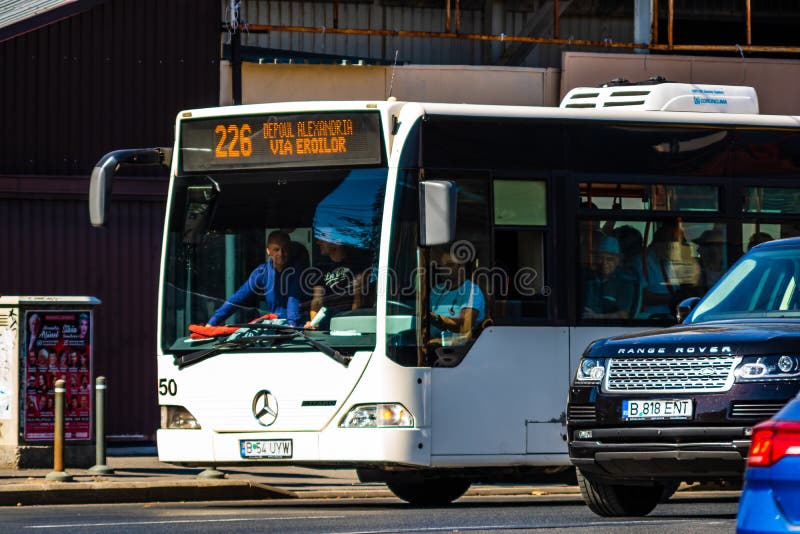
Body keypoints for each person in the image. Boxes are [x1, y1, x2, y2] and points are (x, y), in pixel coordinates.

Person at [207, 230, 303, 327]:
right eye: (276, 250)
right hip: (277, 328)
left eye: (285, 249)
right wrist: (212, 322)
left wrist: (292, 326)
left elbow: (293, 301)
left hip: (298, 330)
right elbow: (238, 298)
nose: (281, 254)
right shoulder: (262, 272)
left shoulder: (297, 271)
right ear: (268, 251)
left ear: (290, 250)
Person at [305, 236, 370, 329]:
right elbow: (317, 301)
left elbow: (358, 301)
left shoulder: (357, 265)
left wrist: (352, 325)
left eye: (323, 237)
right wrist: (313, 323)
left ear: (336, 240)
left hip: (349, 318)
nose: (318, 242)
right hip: (327, 318)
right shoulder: (320, 267)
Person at [641, 220, 701, 318]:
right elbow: (641, 296)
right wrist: (673, 298)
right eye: (673, 240)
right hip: (650, 319)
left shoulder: (670, 261)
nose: (677, 246)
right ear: (659, 241)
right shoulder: (643, 261)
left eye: (679, 241)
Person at [429, 248, 486, 345]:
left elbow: (464, 325)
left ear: (461, 267)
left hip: (461, 352)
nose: (443, 269)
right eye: (441, 265)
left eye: (449, 265)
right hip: (434, 347)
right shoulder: (436, 290)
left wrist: (438, 319)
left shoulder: (472, 291)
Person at [581, 236, 637, 319]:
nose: (604, 263)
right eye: (601, 258)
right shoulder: (589, 278)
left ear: (617, 261)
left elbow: (623, 315)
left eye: (609, 259)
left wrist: (597, 317)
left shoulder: (625, 283)